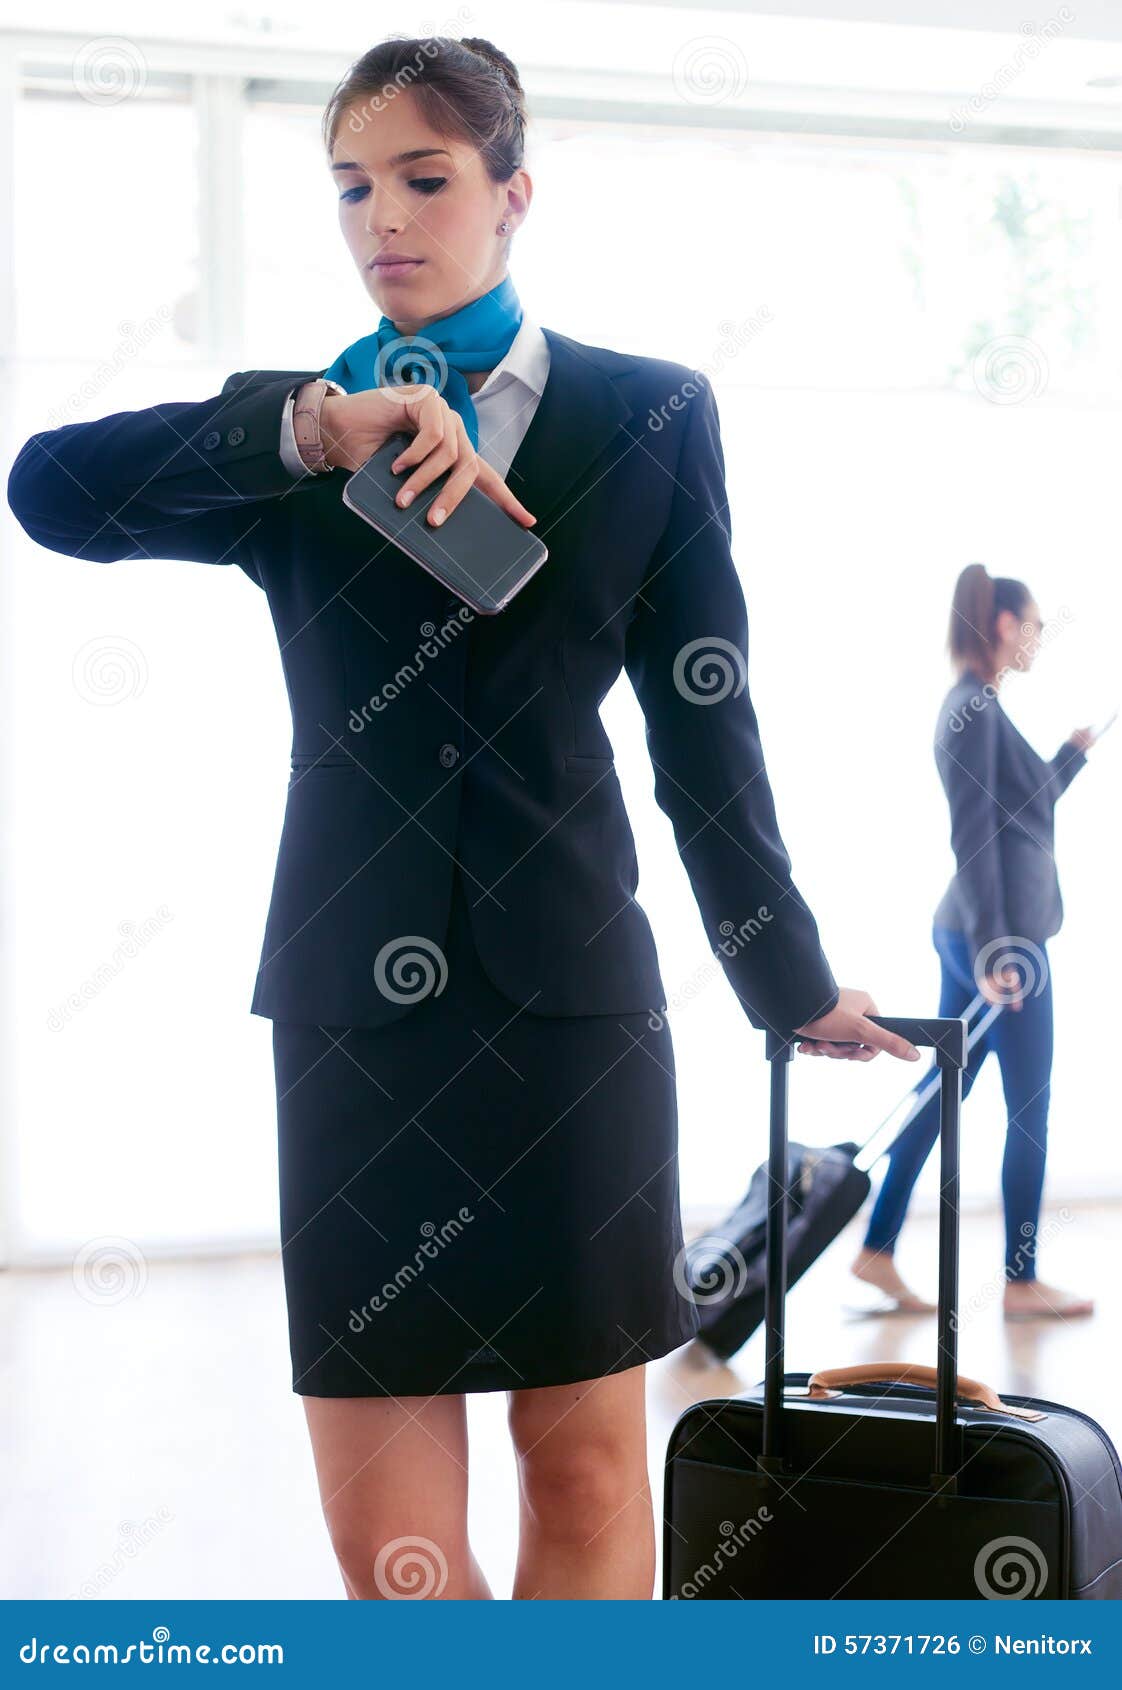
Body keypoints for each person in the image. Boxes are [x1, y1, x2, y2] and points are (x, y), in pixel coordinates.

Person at [7, 35, 919, 1602]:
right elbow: (49, 491)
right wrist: (308, 428)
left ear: (512, 193)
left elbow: (706, 725)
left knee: (579, 1460)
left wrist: (788, 979)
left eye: (425, 179)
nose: (384, 219)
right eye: (353, 186)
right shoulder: (296, 433)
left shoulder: (647, 416)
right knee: (395, 1544)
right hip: (356, 1005)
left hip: (573, 1006)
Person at [851, 563, 1101, 1321]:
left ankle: (876, 1250)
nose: (1033, 639)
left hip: (971, 930)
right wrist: (999, 951)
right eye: (1029, 624)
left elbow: (1021, 809)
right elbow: (976, 837)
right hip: (1002, 939)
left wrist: (1070, 755)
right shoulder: (973, 710)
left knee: (944, 1091)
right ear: (1001, 625)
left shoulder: (980, 709)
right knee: (1030, 1104)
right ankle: (1020, 1282)